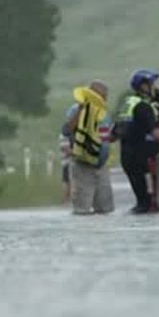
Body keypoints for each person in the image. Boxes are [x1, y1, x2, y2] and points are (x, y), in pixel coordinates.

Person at [116, 69, 159, 213]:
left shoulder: (127, 103)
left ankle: (140, 214)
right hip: (141, 157)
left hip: (126, 155)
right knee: (147, 202)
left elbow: (114, 133)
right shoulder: (143, 106)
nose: (153, 87)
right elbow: (155, 132)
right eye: (151, 84)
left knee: (141, 198)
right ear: (143, 86)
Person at [62, 79, 115, 215]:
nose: (104, 99)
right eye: (102, 96)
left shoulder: (104, 112)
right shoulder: (76, 109)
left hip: (101, 164)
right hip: (83, 164)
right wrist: (81, 110)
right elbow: (67, 130)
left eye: (105, 96)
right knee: (82, 209)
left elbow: (107, 135)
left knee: (105, 208)